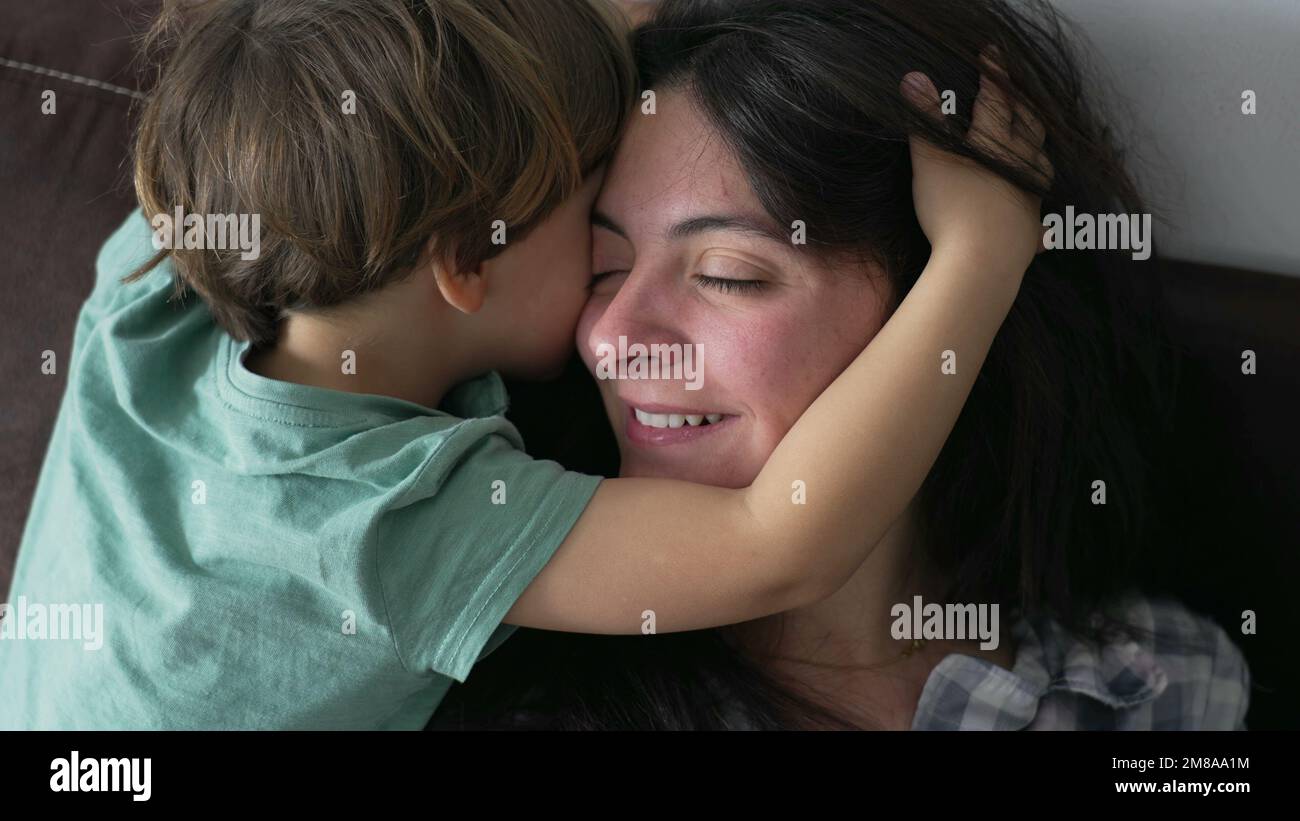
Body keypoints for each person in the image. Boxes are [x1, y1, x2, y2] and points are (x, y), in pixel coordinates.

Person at [0, 0, 1046, 728]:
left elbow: (282, 87)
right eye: (593, 229)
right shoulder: (390, 520)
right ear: (465, 260)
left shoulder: (154, 285)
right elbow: (778, 542)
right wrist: (979, 254)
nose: (610, 323)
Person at [431, 0, 1251, 731]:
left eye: (728, 274)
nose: (611, 338)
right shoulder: (507, 694)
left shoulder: (1163, 690)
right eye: (603, 268)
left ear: (942, 308)